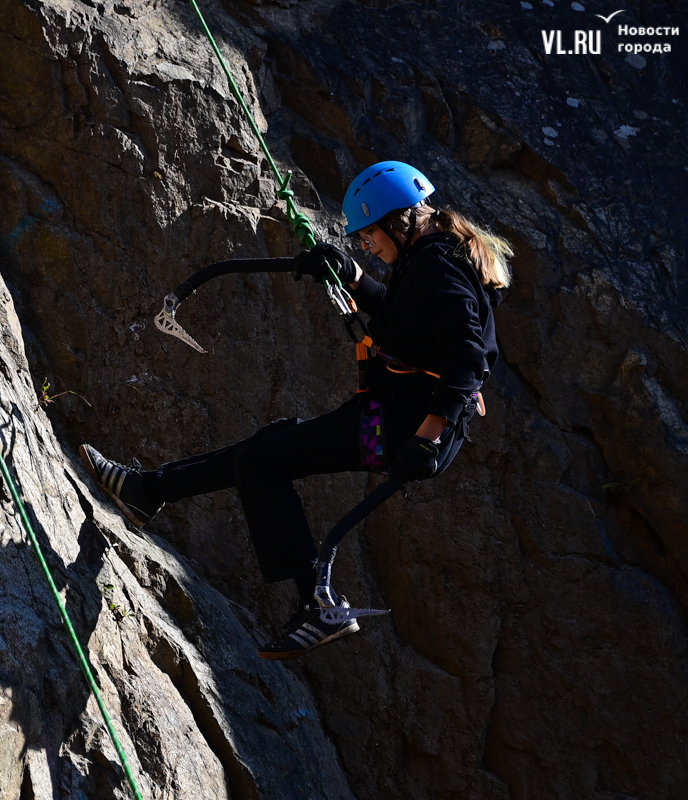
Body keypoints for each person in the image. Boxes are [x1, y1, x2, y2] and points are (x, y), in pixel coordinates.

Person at [80, 161, 512, 660]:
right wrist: (352, 276)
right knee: (270, 448)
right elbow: (404, 316)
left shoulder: (437, 263)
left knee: (265, 459)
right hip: (397, 416)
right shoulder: (428, 257)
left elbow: (467, 354)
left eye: (368, 235)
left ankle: (318, 604)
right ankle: (147, 491)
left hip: (406, 427)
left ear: (398, 220)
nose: (366, 245)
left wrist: (429, 434)